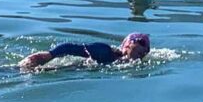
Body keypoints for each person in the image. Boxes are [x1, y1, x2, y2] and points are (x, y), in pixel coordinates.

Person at [18, 33, 151, 71]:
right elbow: (70, 48)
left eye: (148, 49)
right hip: (51, 66)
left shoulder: (125, 65)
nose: (145, 50)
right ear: (128, 44)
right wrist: (50, 55)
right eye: (142, 43)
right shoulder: (104, 50)